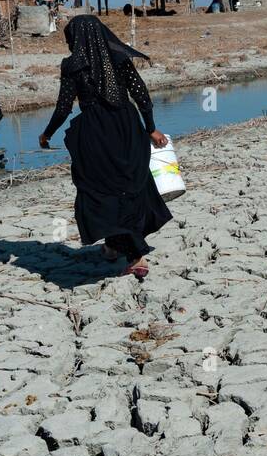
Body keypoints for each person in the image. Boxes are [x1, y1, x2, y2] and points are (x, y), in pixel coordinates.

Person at [39, 15, 172, 279]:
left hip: (96, 133)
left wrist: (47, 133)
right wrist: (150, 128)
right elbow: (141, 95)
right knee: (130, 185)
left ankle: (135, 256)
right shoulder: (119, 57)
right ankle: (113, 245)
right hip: (127, 127)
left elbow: (64, 106)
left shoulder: (73, 64)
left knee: (100, 190)